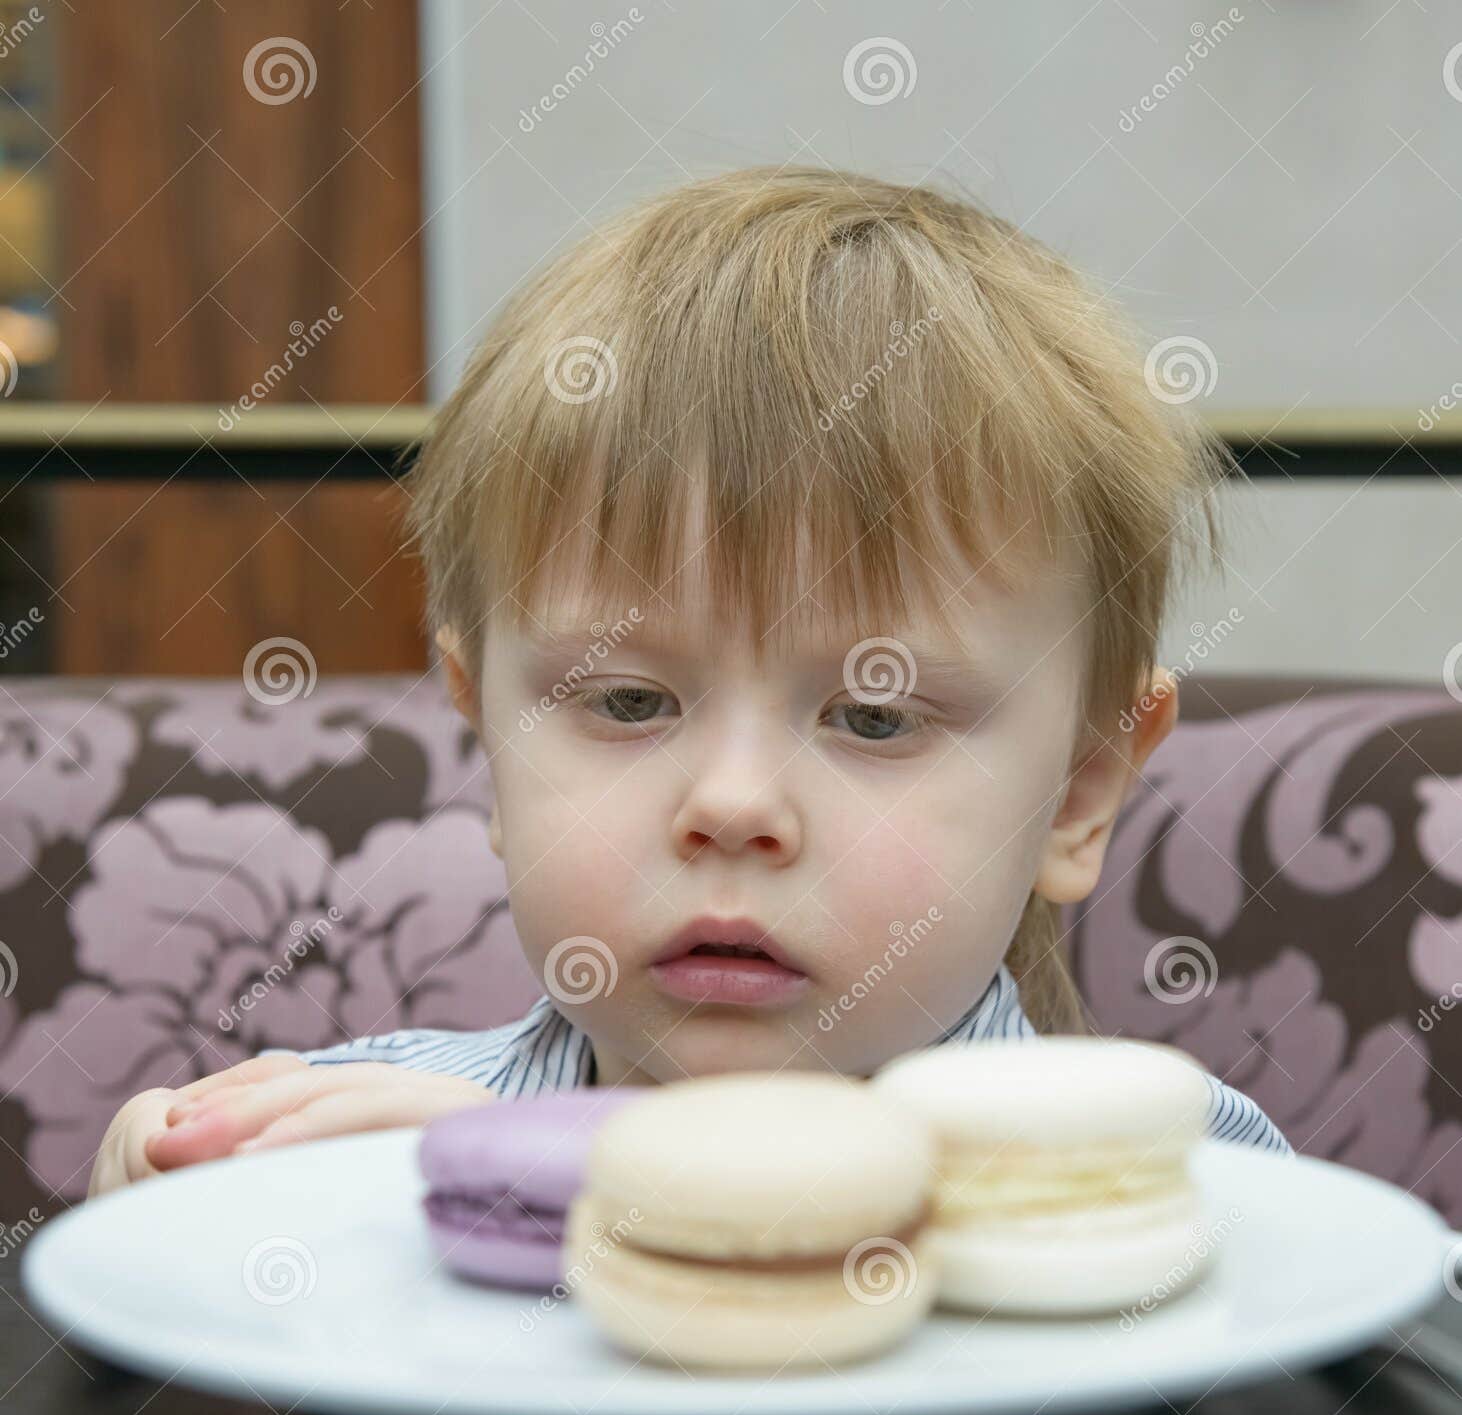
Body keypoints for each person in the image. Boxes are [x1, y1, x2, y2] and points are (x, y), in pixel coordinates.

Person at [87, 165, 1292, 1200]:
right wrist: (166, 1212)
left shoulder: (1177, 1180)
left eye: (873, 716)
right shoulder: (367, 1140)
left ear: (1080, 791)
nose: (730, 806)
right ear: (489, 737)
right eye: (626, 701)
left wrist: (585, 1179)